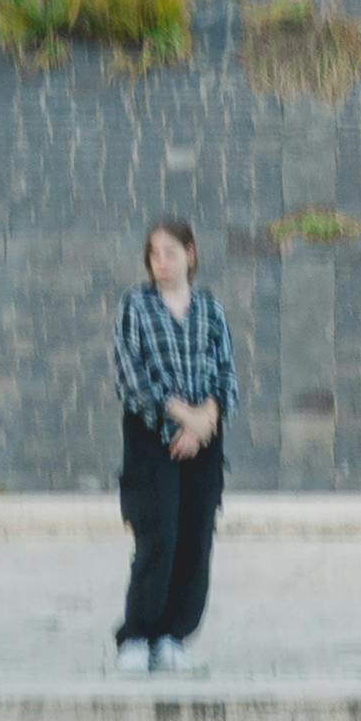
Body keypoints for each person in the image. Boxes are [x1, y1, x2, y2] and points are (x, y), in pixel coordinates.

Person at [114, 214, 231, 661]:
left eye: (170, 252)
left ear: (190, 254)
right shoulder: (135, 307)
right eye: (154, 254)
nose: (161, 262)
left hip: (205, 438)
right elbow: (132, 375)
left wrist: (205, 422)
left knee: (195, 537)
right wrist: (182, 417)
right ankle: (138, 634)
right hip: (151, 437)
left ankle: (173, 635)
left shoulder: (210, 310)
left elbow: (225, 371)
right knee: (157, 534)